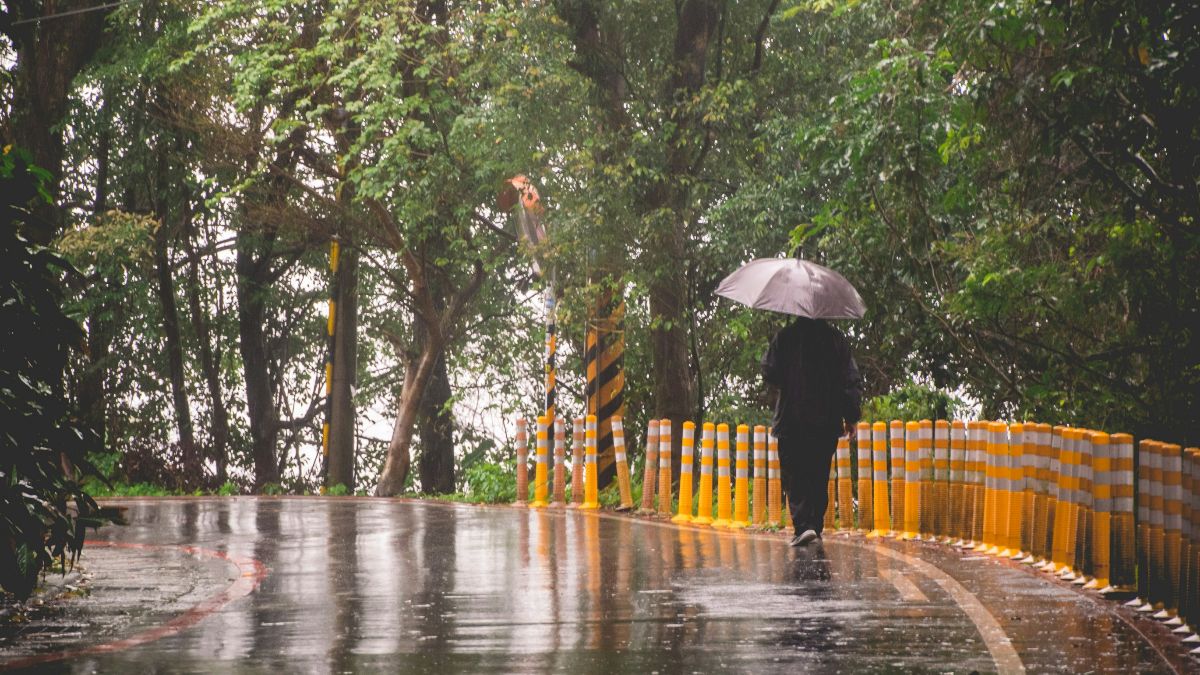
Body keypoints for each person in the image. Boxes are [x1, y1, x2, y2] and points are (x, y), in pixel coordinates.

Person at [761, 316, 862, 546]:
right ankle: (814, 525)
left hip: (791, 420)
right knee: (818, 474)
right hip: (825, 421)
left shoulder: (784, 337)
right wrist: (851, 417)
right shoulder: (836, 341)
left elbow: (769, 371)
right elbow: (850, 381)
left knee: (794, 475)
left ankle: (804, 526)